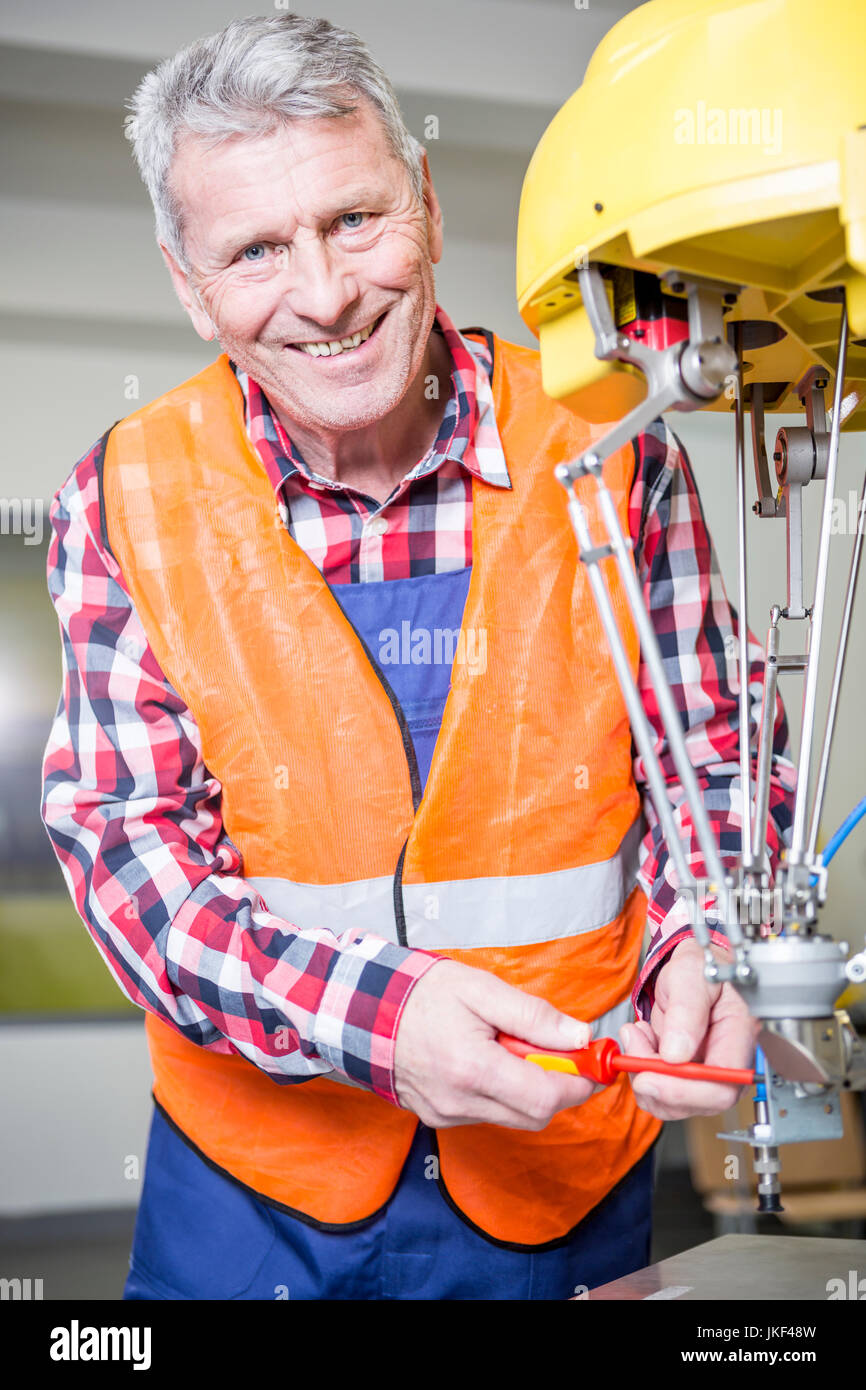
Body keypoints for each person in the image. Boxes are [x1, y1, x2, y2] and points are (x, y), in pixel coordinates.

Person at [40, 14, 795, 1301]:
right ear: (188, 280)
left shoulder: (611, 450)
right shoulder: (124, 495)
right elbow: (130, 852)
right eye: (257, 250)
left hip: (556, 1164)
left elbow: (710, 759)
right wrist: (382, 1022)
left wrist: (701, 954)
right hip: (250, 1186)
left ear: (427, 202)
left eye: (353, 221)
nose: (324, 295)